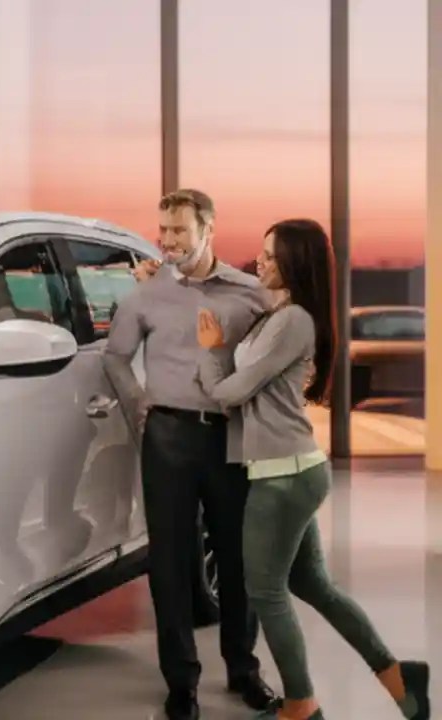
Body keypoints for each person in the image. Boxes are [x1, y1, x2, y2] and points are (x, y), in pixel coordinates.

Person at [195, 219, 430, 720]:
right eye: (262, 252)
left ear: (297, 265)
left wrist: (212, 353)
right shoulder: (277, 313)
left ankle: (300, 704)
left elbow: (231, 394)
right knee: (314, 585)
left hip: (282, 477)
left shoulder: (293, 320)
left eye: (273, 256)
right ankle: (399, 677)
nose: (261, 262)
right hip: (290, 469)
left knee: (266, 591)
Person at [105, 188, 278, 719]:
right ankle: (181, 683)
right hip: (168, 439)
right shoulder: (145, 295)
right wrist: (140, 412)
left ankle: (243, 671)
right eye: (164, 230)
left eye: (180, 230)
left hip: (231, 439)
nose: (169, 240)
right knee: (171, 564)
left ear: (208, 228)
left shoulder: (250, 294)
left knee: (238, 559)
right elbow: (116, 357)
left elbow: (274, 361)